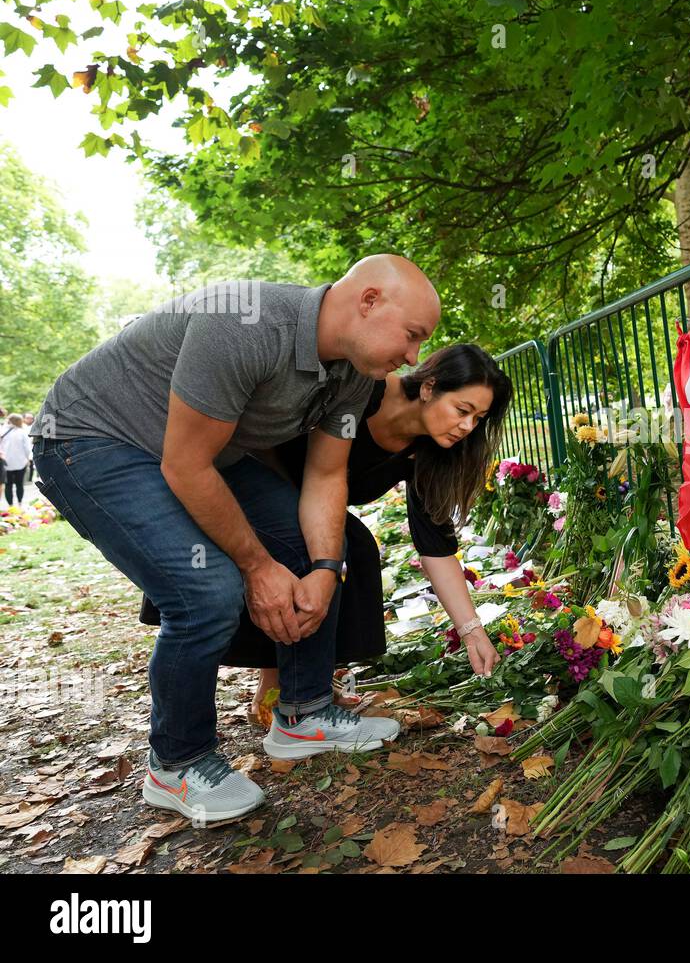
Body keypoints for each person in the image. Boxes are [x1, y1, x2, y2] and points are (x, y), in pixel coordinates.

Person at [32, 254, 440, 825]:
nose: (414, 357)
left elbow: (325, 475)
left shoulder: (353, 373)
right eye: (414, 335)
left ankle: (304, 713)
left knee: (326, 542)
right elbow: (186, 465)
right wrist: (257, 567)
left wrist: (324, 568)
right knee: (205, 589)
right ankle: (175, 764)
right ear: (369, 301)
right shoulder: (244, 323)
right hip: (93, 441)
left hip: (200, 454)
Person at [138, 344, 512, 722]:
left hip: (312, 506)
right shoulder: (364, 390)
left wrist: (471, 632)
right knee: (339, 546)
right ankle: (279, 684)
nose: (468, 427)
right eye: (462, 410)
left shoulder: (430, 452)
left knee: (355, 552)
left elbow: (436, 548)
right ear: (430, 387)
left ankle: (302, 681)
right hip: (246, 478)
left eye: (478, 418)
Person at [2, 413, 32, 505]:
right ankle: (19, 503)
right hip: (20, 462)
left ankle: (10, 504)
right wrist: (28, 459)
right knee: (19, 484)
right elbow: (27, 448)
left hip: (5, 463)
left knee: (8, 485)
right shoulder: (22, 432)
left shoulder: (2, 430)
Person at [23, 413, 35, 483]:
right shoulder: (21, 427)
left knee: (31, 464)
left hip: (32, 448)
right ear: (24, 419)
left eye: (31, 418)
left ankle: (30, 479)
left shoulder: (34, 427)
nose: (30, 420)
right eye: (28, 418)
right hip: (22, 449)